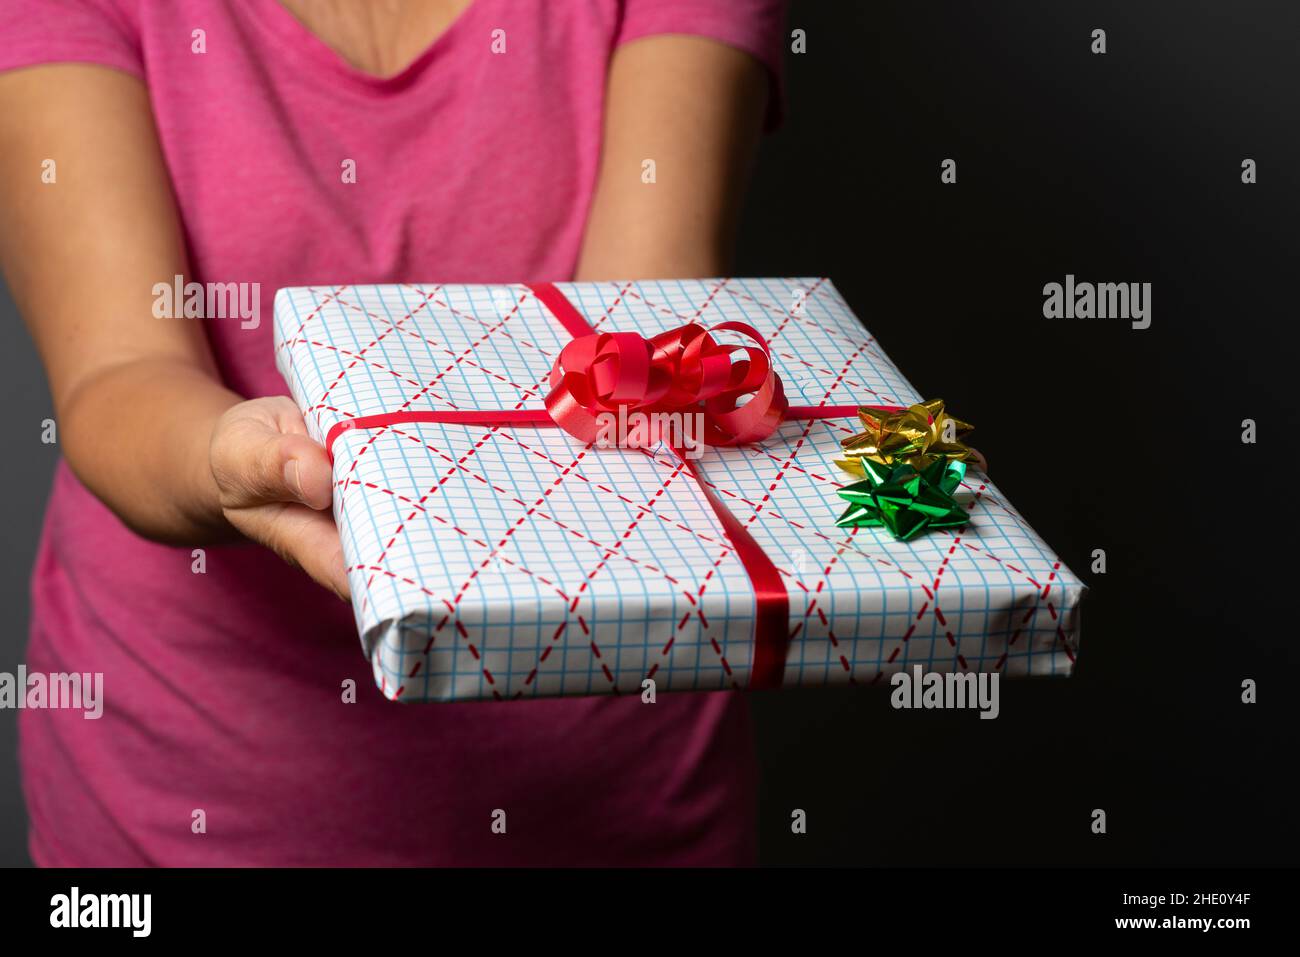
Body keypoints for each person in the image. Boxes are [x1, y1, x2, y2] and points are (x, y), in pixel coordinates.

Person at [0, 0, 786, 865]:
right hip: (187, 805)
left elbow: (641, 352)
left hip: (619, 791)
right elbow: (116, 372)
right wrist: (236, 460)